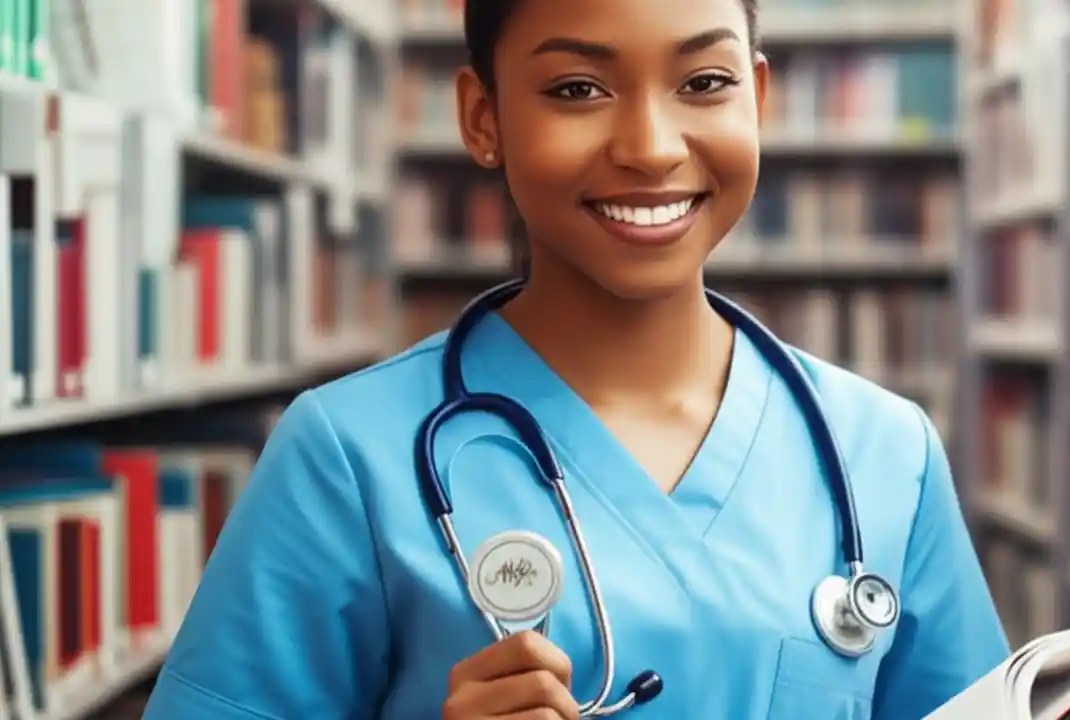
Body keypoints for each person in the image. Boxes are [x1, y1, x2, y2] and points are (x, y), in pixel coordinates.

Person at [141, 0, 1010, 717]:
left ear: (759, 100)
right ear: (484, 119)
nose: (651, 146)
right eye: (578, 88)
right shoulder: (344, 456)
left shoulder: (888, 455)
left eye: (705, 82)